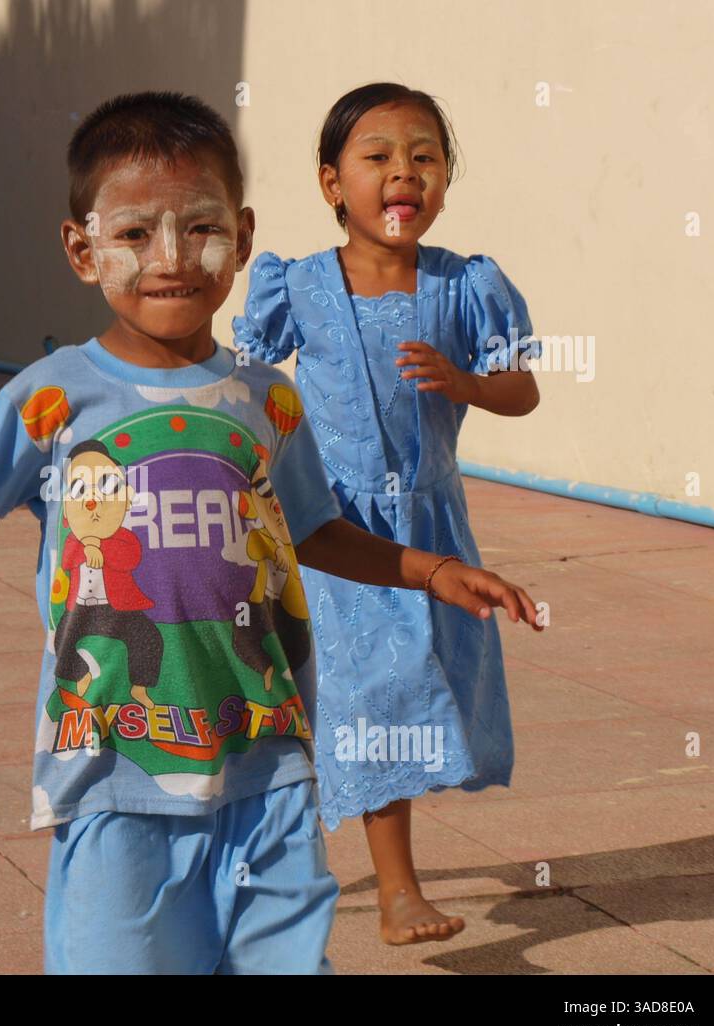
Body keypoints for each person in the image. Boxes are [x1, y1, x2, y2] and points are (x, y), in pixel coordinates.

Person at [0, 91, 540, 974]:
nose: (172, 260)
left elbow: (317, 530)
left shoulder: (266, 398)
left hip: (267, 764)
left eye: (200, 229)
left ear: (240, 231)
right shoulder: (50, 397)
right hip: (113, 767)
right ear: (82, 249)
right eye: (134, 235)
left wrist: (431, 571)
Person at [233, 82, 542, 945]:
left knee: (412, 690)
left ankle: (350, 857)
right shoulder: (296, 285)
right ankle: (397, 887)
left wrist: (470, 384)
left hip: (433, 527)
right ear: (332, 182)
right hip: (334, 533)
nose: (403, 172)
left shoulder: (467, 284)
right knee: (373, 690)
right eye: (377, 157)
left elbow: (523, 386)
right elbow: (249, 380)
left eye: (424, 155)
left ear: (445, 177)